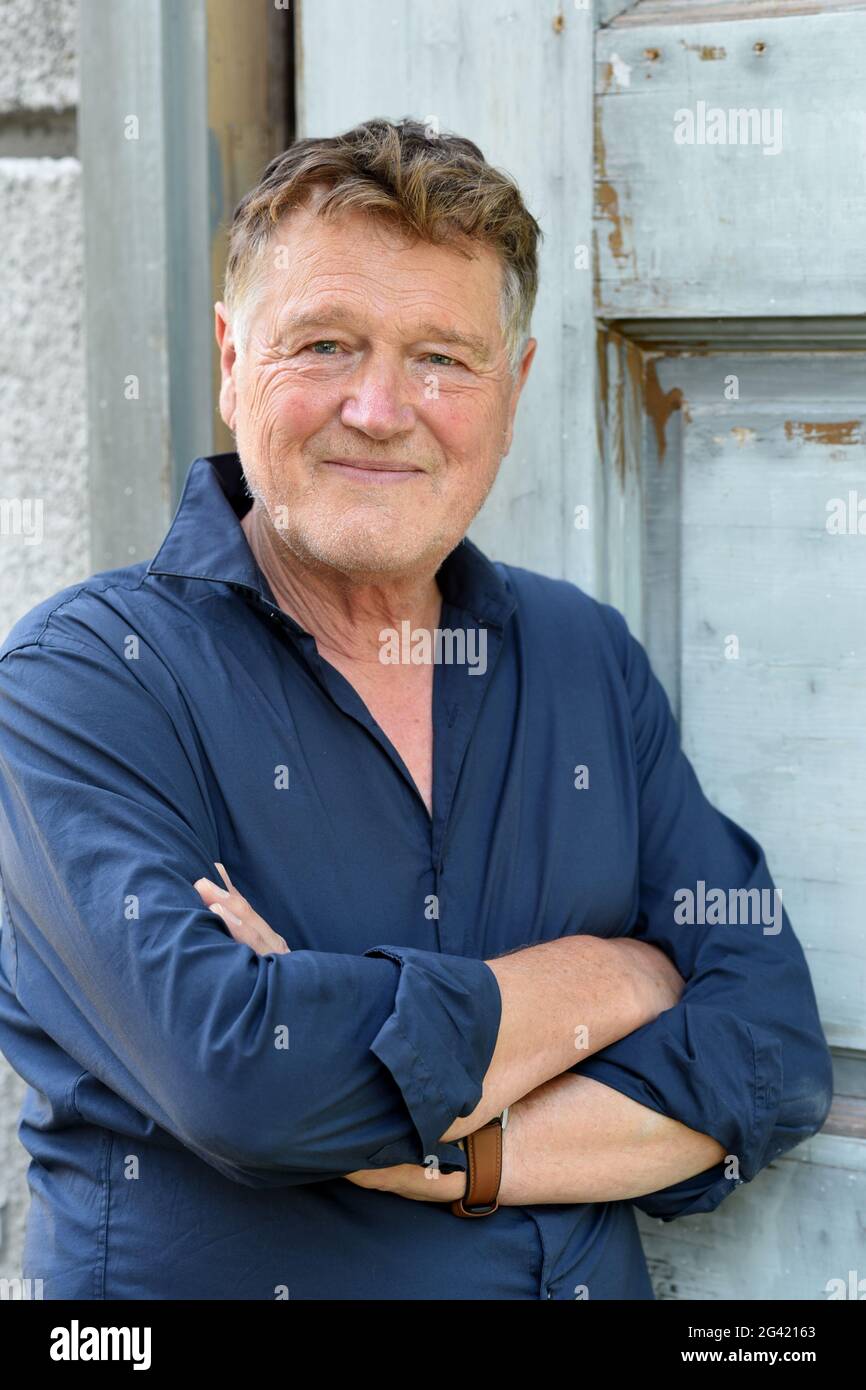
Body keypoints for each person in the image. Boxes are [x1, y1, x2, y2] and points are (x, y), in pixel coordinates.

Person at [0, 118, 832, 1300]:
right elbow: (250, 1080)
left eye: (443, 357)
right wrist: (613, 977)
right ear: (232, 359)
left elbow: (772, 1049)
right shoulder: (83, 681)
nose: (381, 408)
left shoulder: (576, 655)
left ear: (514, 388)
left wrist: (442, 1149)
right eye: (325, 344)